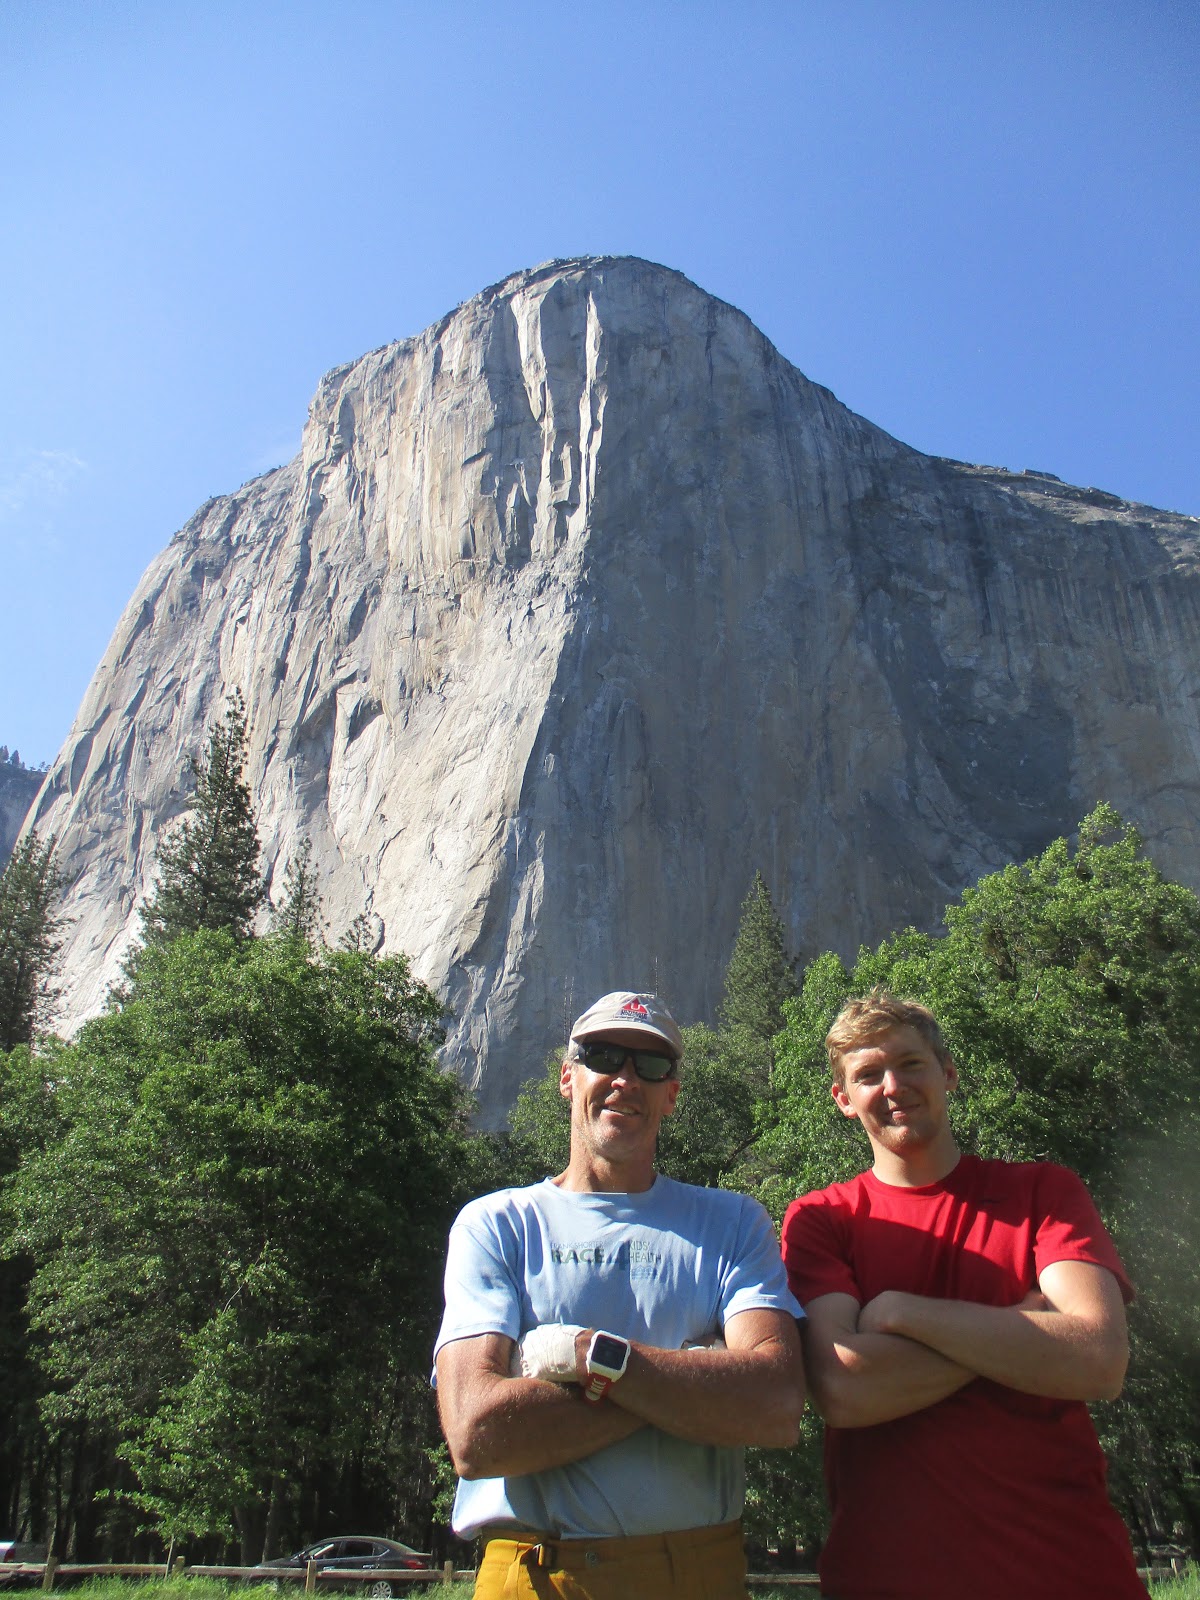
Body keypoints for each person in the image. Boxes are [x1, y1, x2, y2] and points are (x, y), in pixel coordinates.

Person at [434, 989, 805, 1600]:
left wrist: (584, 1360)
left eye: (650, 1065)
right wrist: (692, 1378)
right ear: (567, 1078)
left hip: (697, 1574)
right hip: (532, 1576)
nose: (624, 1079)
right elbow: (477, 1434)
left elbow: (776, 1404)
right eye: (604, 1056)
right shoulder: (496, 1225)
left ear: (671, 1094)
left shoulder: (734, 1223)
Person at [780, 987, 1146, 1600]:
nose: (893, 1085)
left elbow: (1100, 1359)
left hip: (1070, 1574)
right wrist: (1025, 1326)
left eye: (910, 1063)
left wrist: (901, 1314)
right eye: (868, 1074)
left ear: (948, 1073)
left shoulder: (1043, 1194)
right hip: (887, 1580)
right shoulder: (822, 1220)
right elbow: (842, 1388)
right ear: (843, 1099)